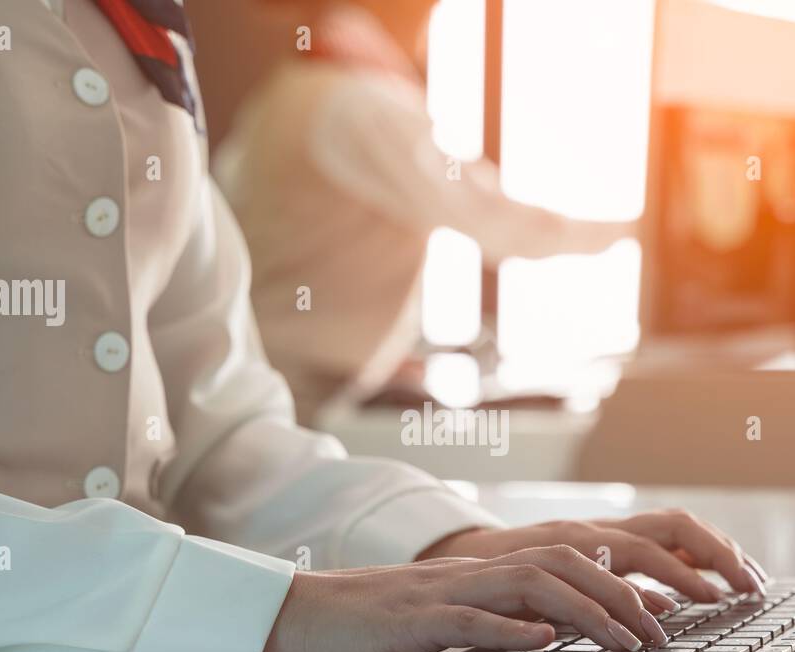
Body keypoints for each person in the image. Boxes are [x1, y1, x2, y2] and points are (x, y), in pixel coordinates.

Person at [0, 0, 765, 652]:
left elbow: (217, 432)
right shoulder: (348, 97)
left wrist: (445, 550)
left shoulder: (135, 29)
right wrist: (273, 607)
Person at [210, 0, 631, 424]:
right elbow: (494, 220)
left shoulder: (290, 88)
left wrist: (385, 354)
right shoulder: (364, 102)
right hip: (298, 395)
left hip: (260, 372)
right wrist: (628, 229)